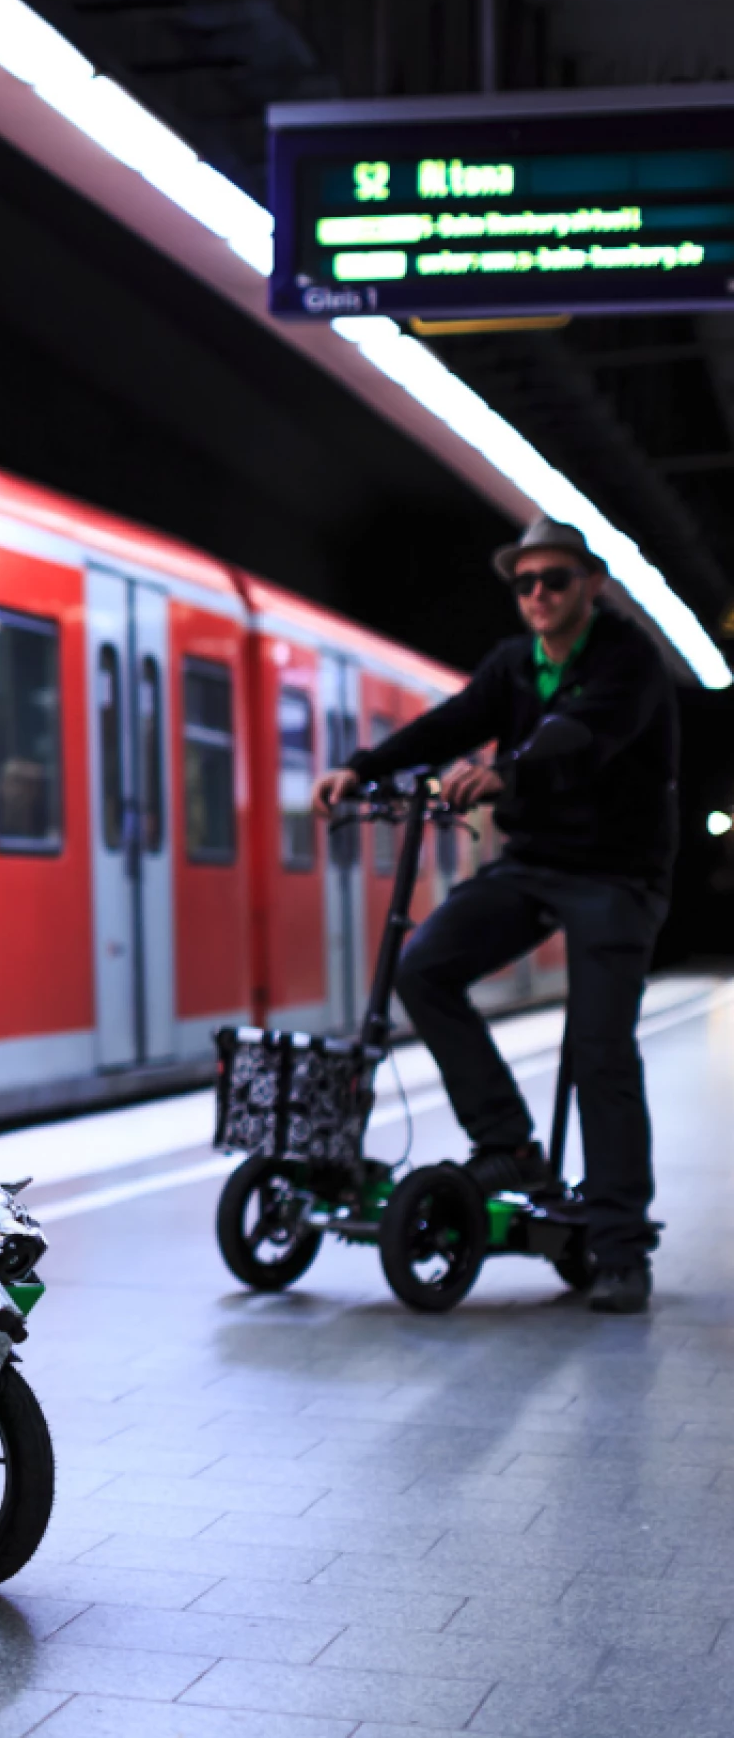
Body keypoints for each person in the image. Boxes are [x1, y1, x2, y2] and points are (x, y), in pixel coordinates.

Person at [314, 515, 677, 1313]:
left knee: (600, 1050)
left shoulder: (627, 660)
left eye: (555, 579)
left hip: (616, 876)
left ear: (593, 585)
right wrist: (362, 766)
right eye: (525, 583)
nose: (539, 594)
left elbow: (583, 736)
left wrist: (508, 771)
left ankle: (620, 1249)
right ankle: (510, 1145)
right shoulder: (515, 664)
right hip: (533, 865)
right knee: (424, 967)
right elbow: (451, 722)